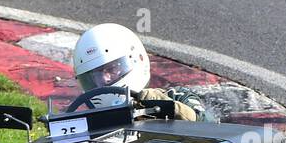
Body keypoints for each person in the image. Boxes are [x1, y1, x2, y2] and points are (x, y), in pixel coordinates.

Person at [70, 22, 202, 121]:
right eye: (96, 76)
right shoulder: (85, 119)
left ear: (138, 59)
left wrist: (168, 107)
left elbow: (208, 127)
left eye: (112, 69)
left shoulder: (178, 96)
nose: (105, 79)